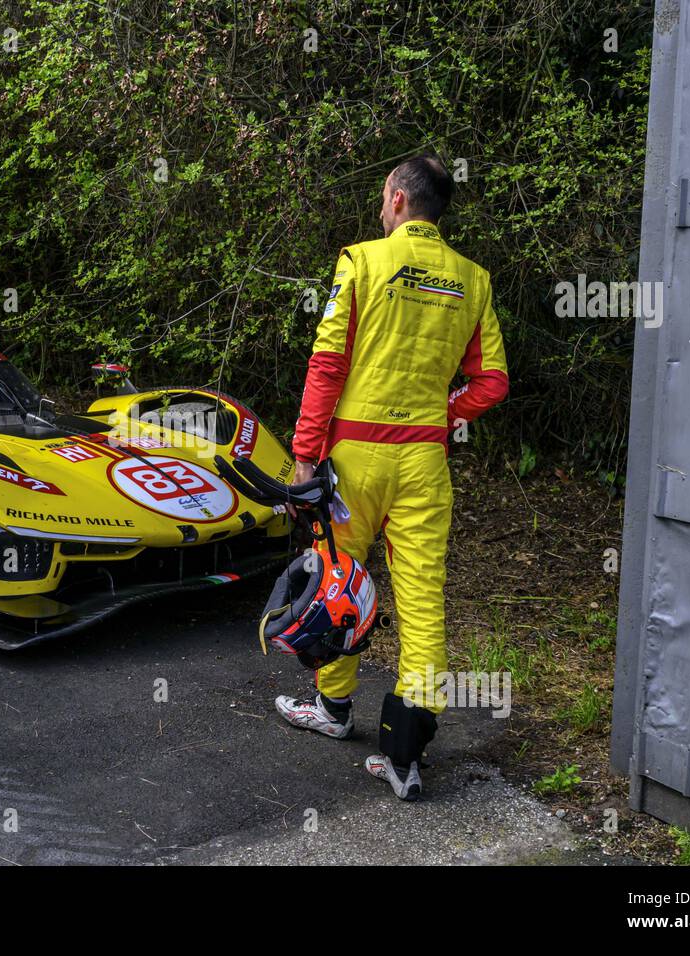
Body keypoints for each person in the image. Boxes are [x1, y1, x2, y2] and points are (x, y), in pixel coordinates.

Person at [277, 154, 509, 800]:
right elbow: (492, 382)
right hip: (424, 463)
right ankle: (404, 758)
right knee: (424, 600)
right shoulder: (472, 279)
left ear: (398, 199)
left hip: (353, 460)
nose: (382, 207)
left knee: (338, 582)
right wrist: (443, 413)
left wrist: (304, 452)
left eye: (385, 198)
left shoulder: (362, 261)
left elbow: (327, 363)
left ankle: (333, 709)